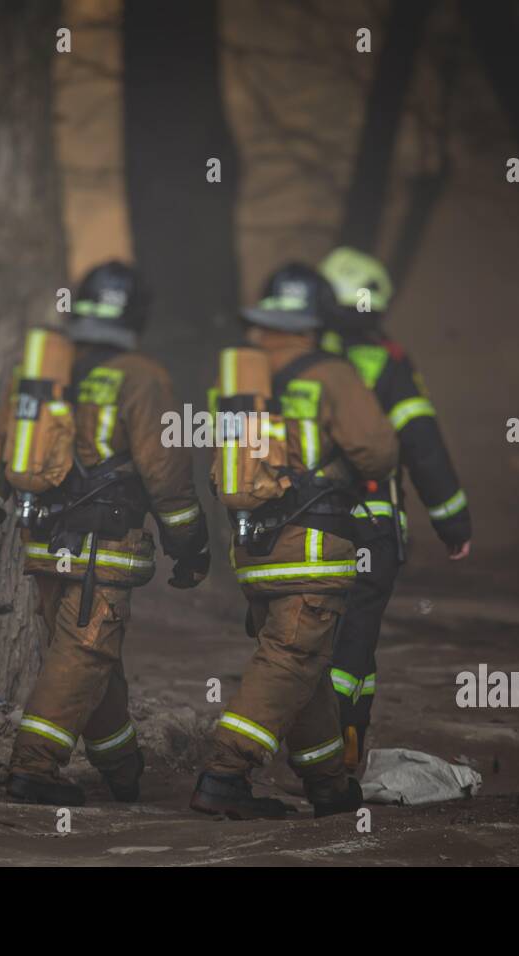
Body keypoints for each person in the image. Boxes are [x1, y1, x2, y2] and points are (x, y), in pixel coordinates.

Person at [0, 261, 210, 806]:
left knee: (88, 655)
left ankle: (122, 764)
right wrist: (192, 545)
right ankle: (34, 767)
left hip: (42, 543)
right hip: (102, 548)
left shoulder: (43, 373)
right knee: (85, 653)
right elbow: (165, 473)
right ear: (136, 315)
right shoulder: (140, 375)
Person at [189, 263, 398, 820]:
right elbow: (377, 454)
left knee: (305, 663)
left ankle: (329, 785)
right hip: (313, 544)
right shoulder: (331, 375)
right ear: (316, 320)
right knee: (289, 659)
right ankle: (223, 773)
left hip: (253, 548)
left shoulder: (238, 382)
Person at [317, 247, 472, 771]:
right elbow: (422, 443)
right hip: (371, 524)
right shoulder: (385, 361)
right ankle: (339, 743)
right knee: (356, 631)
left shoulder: (293, 360)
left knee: (302, 629)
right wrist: (451, 518)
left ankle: (326, 741)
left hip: (298, 524)